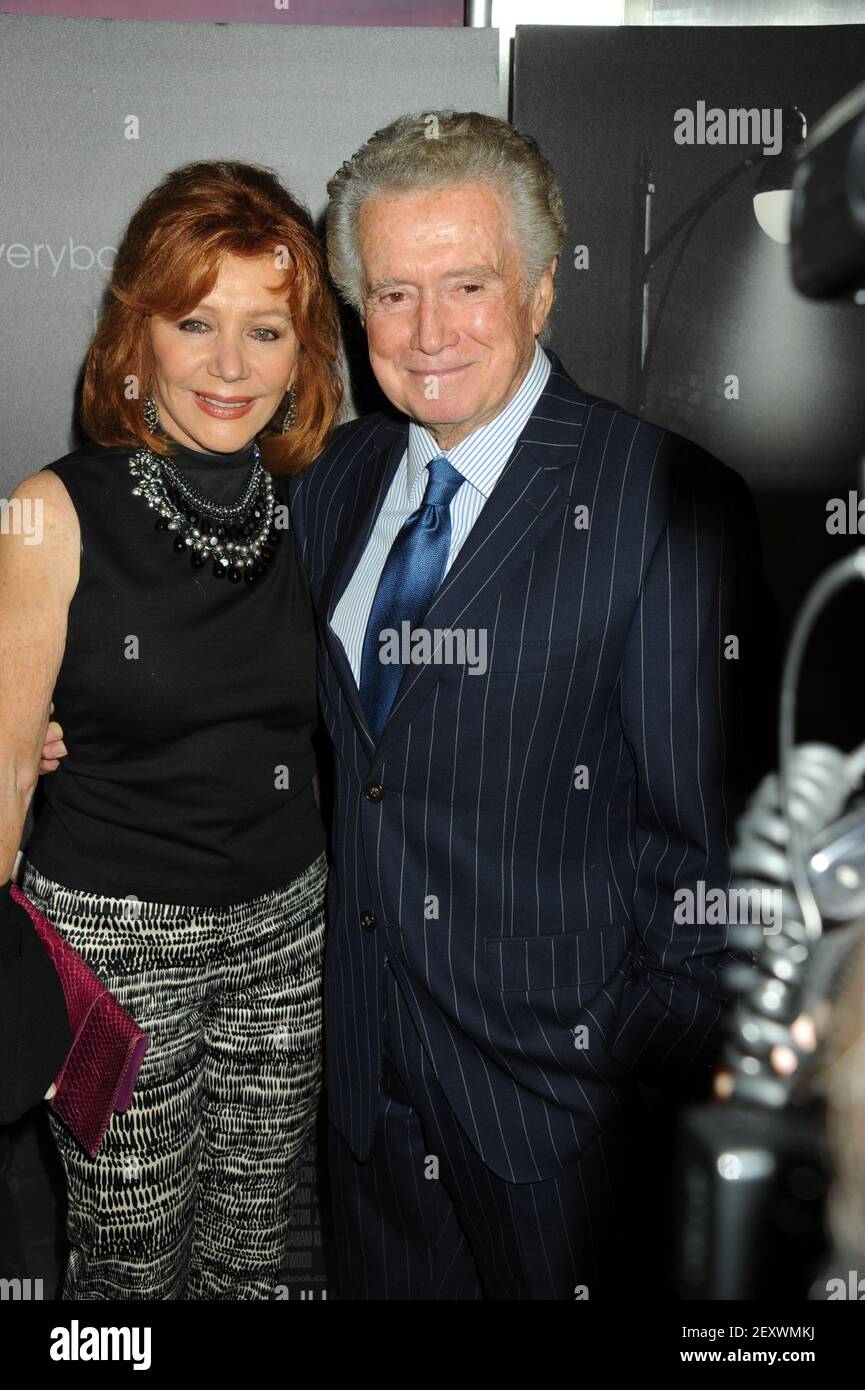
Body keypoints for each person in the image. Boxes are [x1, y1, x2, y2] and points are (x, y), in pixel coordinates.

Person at [291, 108, 781, 1298]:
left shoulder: (666, 501)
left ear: (542, 290)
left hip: (561, 1124)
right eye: (392, 295)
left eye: (466, 284)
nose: (428, 332)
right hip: (368, 1103)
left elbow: (715, 865)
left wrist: (616, 1076)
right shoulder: (338, 484)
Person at [1, 158, 343, 1299]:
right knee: (128, 1270)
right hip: (111, 945)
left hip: (288, 932)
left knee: (251, 1258)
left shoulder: (320, 501)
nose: (231, 366)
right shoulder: (53, 512)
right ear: (135, 334)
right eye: (194, 321)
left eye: (266, 329)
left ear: (305, 355)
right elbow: (4, 765)